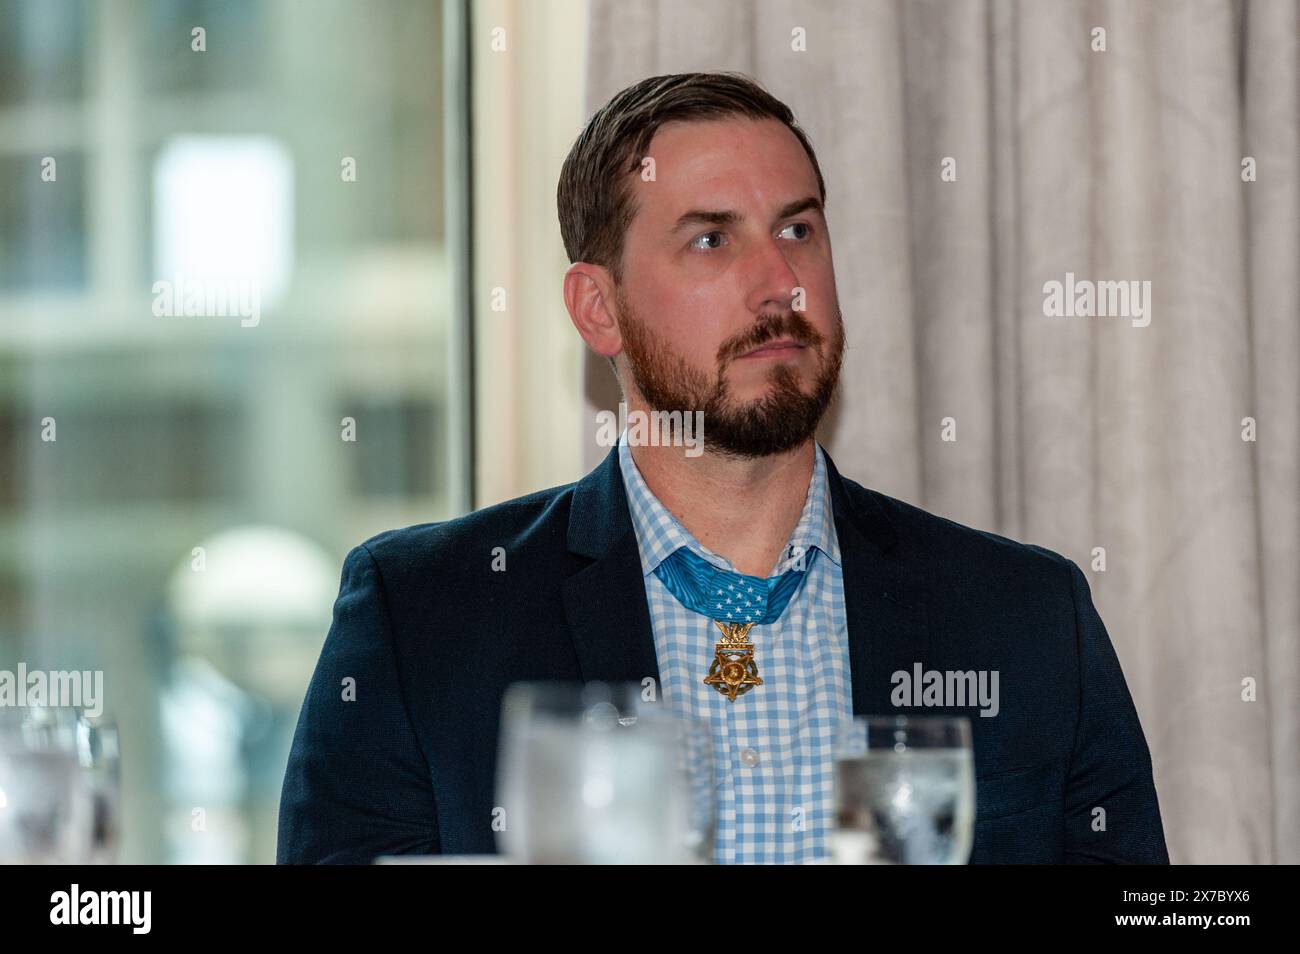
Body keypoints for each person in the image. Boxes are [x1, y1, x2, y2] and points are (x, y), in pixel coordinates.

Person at [278, 71, 1168, 864]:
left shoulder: (1026, 618)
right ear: (599, 309)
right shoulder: (423, 618)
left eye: (798, 229)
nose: (780, 282)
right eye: (712, 240)